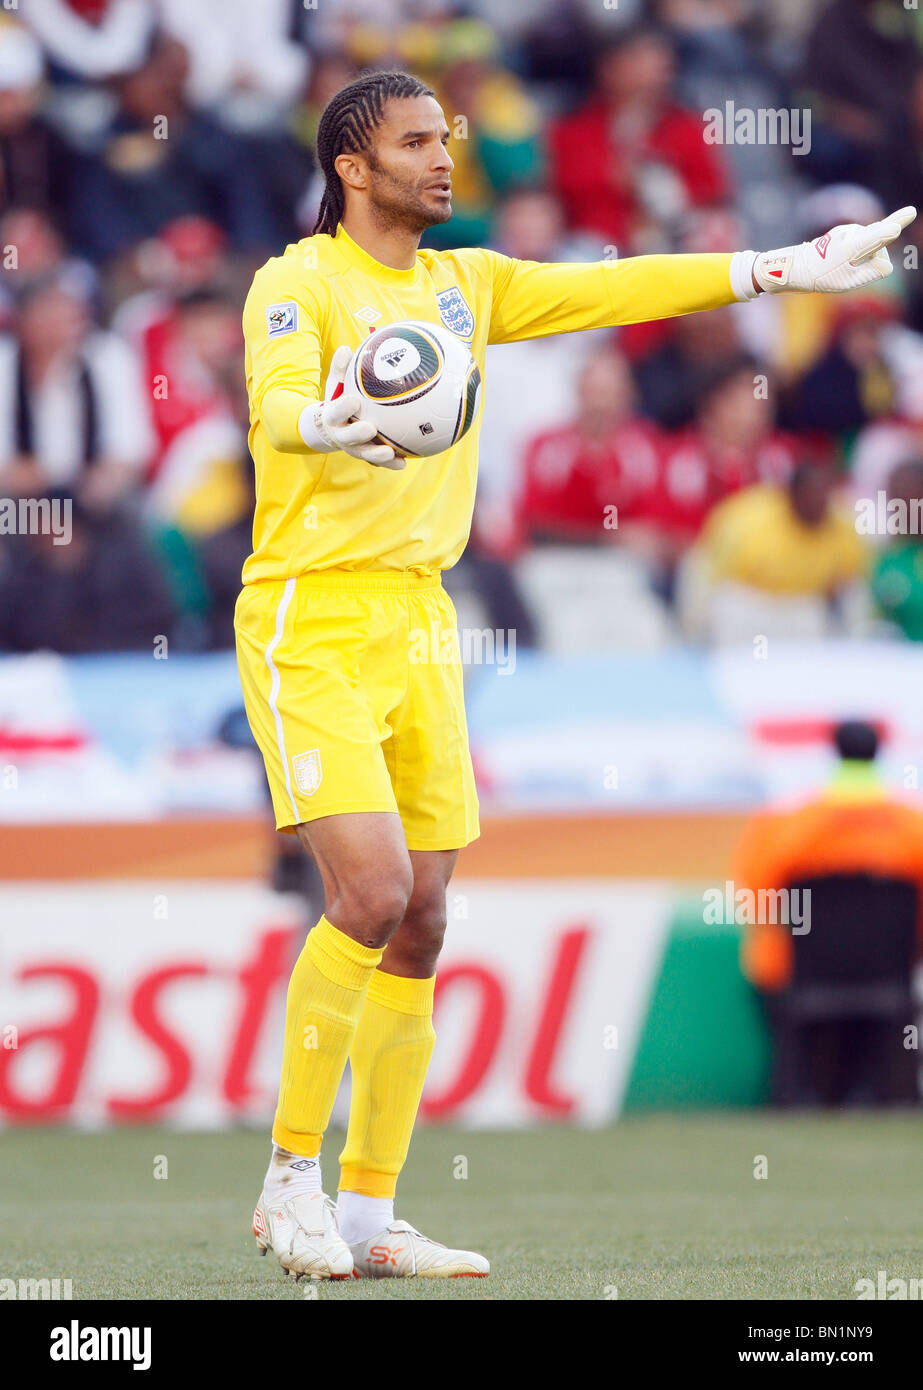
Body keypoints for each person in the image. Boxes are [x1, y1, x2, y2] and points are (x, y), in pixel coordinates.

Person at [234, 66, 916, 1282]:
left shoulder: (462, 283)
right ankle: (287, 1177)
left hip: (423, 617)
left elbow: (612, 287)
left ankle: (367, 1211)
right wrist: (329, 422)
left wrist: (780, 266)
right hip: (310, 616)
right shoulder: (297, 281)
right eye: (412, 144)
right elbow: (283, 404)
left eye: (445, 141)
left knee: (425, 916)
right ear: (350, 167)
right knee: (370, 892)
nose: (445, 162)